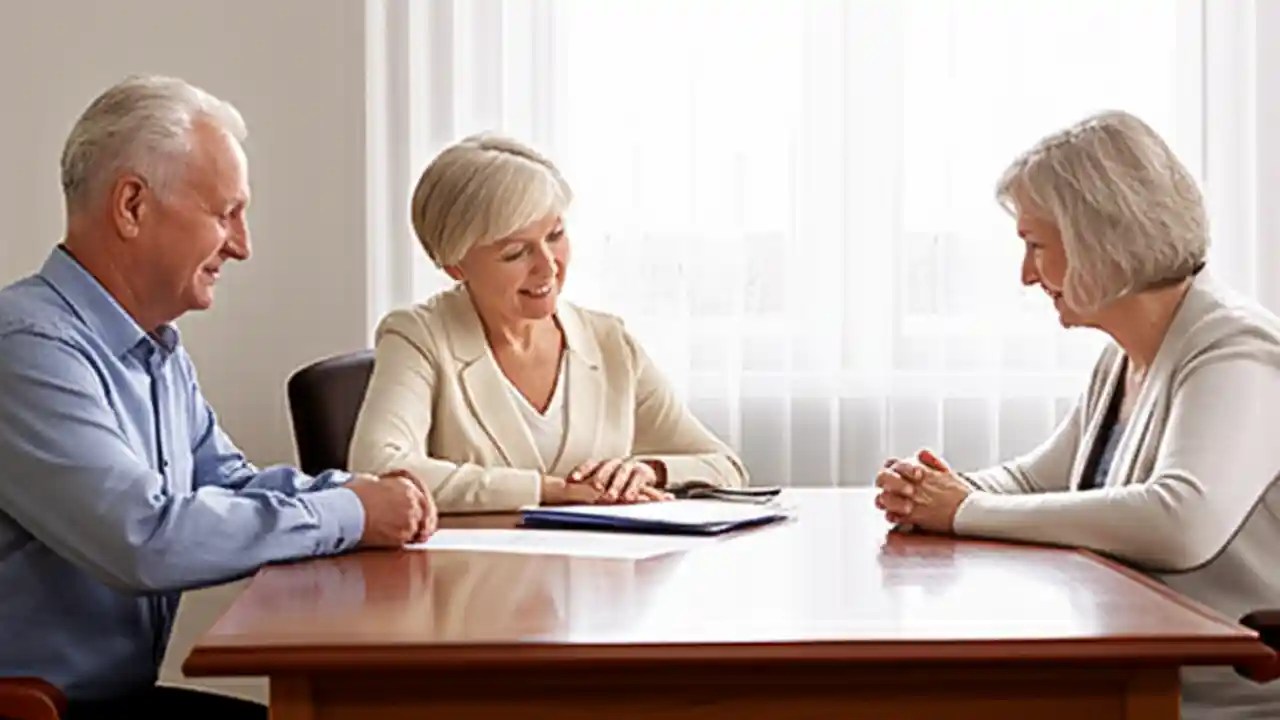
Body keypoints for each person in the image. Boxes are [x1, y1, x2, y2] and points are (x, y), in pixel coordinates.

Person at [0, 75, 438, 719]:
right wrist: (351, 513)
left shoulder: (156, 350)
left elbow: (229, 483)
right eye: (225, 212)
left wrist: (362, 494)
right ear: (132, 206)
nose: (241, 243)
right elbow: (145, 537)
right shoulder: (26, 347)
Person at [873, 110, 1280, 719]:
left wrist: (963, 510)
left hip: (1217, 697)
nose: (1026, 274)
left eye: (1037, 246)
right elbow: (1038, 480)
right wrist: (933, 490)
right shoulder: (1127, 357)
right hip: (1133, 675)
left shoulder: (1237, 352)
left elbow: (1180, 522)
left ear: (1101, 239)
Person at [348, 134, 748, 513]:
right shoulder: (419, 337)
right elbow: (378, 469)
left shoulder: (610, 342)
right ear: (456, 265)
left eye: (555, 235)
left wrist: (652, 470)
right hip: (472, 579)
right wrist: (550, 490)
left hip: (600, 580)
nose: (548, 266)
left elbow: (727, 468)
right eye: (516, 252)